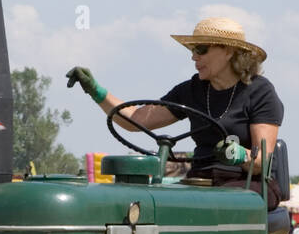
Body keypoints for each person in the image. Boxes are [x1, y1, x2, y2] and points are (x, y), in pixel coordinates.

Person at [66, 16, 285, 208]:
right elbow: (136, 120)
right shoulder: (191, 90)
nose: (194, 58)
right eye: (192, 51)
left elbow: (261, 163)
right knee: (153, 204)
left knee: (216, 205)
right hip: (201, 181)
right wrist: (96, 91)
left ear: (228, 51)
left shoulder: (260, 91)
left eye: (201, 50)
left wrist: (237, 154)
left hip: (249, 184)